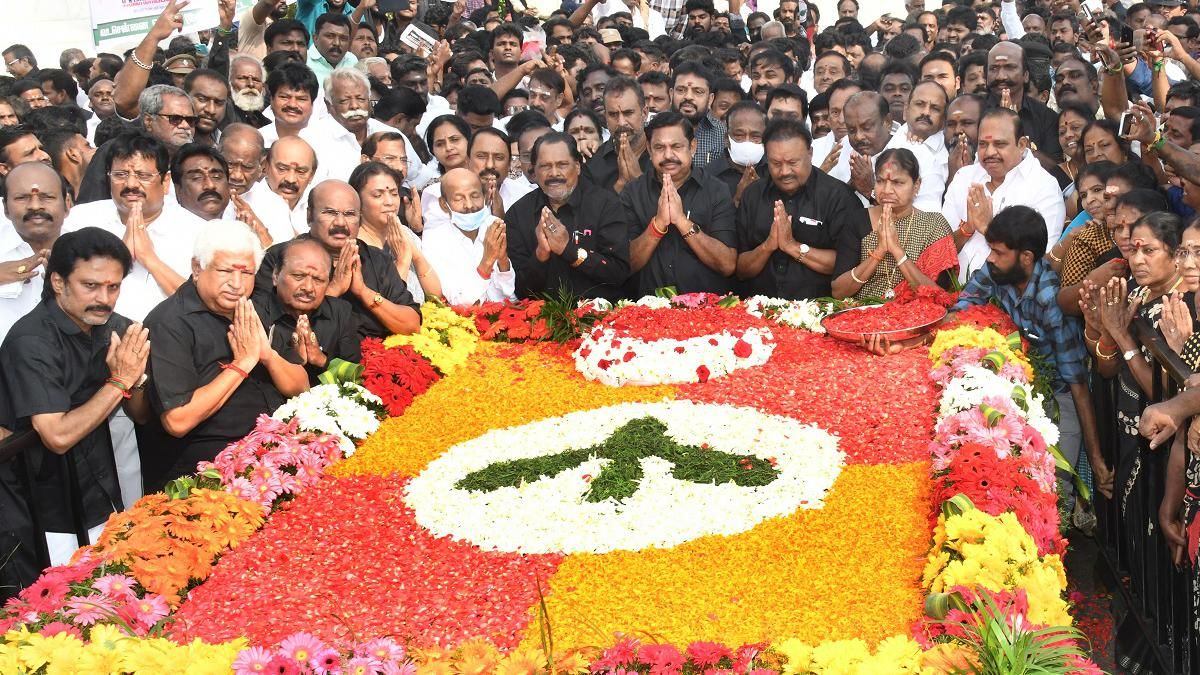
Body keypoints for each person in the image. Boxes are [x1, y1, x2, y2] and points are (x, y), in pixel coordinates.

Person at [0, 227, 150, 564]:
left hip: (106, 495)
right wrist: (120, 382)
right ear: (57, 282)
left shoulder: (116, 327)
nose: (104, 298)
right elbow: (57, 435)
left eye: (113, 287)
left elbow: (141, 414)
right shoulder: (32, 341)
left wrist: (136, 381)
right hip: (45, 510)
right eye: (91, 286)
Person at [953, 205, 1110, 500]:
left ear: (1025, 257)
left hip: (1062, 393)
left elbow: (1076, 384)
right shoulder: (998, 269)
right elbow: (966, 302)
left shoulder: (1049, 299)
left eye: (998, 252)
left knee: (1055, 486)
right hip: (1023, 384)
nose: (990, 258)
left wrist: (1097, 457)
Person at [63, 132, 206, 323]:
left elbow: (202, 305)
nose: (130, 184)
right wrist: (120, 258)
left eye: (143, 175)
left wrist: (150, 260)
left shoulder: (197, 231)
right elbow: (65, 291)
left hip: (170, 341)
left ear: (165, 182)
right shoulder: (81, 221)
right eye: (120, 175)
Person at [255, 180, 422, 338]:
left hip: (377, 360)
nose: (341, 223)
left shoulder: (376, 260)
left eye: (349, 214)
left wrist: (364, 292)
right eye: (330, 212)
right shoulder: (282, 257)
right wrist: (334, 289)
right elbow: (272, 327)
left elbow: (412, 325)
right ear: (309, 215)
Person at [736, 118, 870, 300]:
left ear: (810, 153)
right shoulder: (753, 195)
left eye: (792, 163)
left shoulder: (838, 197)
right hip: (758, 313)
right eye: (775, 163)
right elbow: (740, 269)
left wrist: (793, 247)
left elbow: (847, 265)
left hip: (819, 312)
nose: (784, 172)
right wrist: (768, 246)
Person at [943, 108, 1065, 282]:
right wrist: (967, 229)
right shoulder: (964, 178)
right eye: (983, 144)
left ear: (1021, 145)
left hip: (1008, 301)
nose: (990, 152)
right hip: (952, 296)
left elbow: (1036, 263)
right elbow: (939, 251)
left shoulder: (1043, 186)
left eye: (999, 144)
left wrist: (988, 229)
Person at [622, 112, 736, 297]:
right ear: (649, 151)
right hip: (645, 313)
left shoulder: (716, 191)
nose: (668, 155)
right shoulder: (632, 193)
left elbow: (727, 265)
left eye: (676, 146)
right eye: (659, 147)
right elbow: (624, 266)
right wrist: (658, 225)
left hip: (706, 315)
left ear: (692, 147)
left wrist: (682, 222)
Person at [506, 132, 630, 300]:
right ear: (534, 172)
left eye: (562, 164)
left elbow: (618, 274)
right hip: (541, 322)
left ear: (578, 166)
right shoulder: (519, 214)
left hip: (599, 320)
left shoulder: (606, 205)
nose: (554, 173)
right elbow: (519, 290)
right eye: (545, 166)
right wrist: (541, 255)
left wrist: (569, 250)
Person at [832, 149, 957, 299]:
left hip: (917, 317)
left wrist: (897, 251)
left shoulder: (935, 225)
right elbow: (838, 292)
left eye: (897, 183)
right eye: (880, 181)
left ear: (916, 185)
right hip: (864, 317)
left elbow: (940, 297)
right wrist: (879, 251)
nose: (887, 190)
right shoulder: (856, 220)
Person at [262, 238, 362, 383]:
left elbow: (356, 380)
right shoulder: (254, 313)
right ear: (276, 275)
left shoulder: (340, 312)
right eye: (298, 276)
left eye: (318, 280)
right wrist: (293, 359)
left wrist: (321, 359)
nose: (308, 287)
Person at [348, 162, 441, 304]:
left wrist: (415, 255)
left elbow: (435, 295)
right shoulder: (355, 248)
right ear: (358, 201)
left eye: (394, 193)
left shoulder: (405, 233)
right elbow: (385, 306)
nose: (389, 202)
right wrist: (403, 260)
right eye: (378, 195)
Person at [422, 168, 516, 304]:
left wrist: (503, 261)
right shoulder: (435, 239)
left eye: (475, 196)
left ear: (485, 196)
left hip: (505, 315)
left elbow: (508, 294)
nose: (469, 205)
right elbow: (458, 301)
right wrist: (487, 262)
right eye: (459, 199)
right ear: (443, 204)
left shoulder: (492, 225)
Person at [0, 163, 69, 344]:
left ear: (67, 204)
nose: (35, 206)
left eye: (47, 197)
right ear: (5, 208)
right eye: (22, 198)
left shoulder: (88, 251)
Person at [582, 77, 654, 194]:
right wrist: (619, 186)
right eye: (613, 114)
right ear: (605, 116)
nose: (621, 122)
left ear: (644, 113)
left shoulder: (662, 155)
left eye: (628, 113)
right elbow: (591, 211)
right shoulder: (593, 163)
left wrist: (639, 179)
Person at [241, 135, 319, 243]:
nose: (291, 179)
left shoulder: (319, 206)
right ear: (265, 166)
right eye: (282, 169)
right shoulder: (244, 204)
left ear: (312, 175)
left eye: (301, 172)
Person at [702, 101, 767, 208]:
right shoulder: (708, 176)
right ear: (727, 138)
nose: (747, 141)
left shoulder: (774, 172)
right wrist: (737, 199)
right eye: (739, 135)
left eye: (755, 136)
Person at [670, 63, 726, 169]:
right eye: (681, 90)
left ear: (710, 99)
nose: (688, 97)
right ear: (671, 94)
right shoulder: (653, 129)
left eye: (698, 92)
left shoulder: (722, 133)